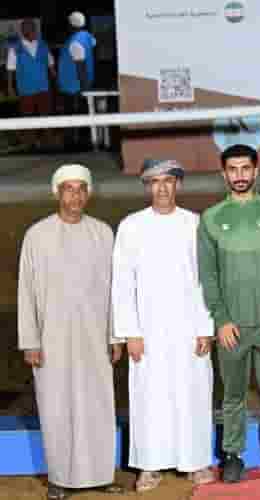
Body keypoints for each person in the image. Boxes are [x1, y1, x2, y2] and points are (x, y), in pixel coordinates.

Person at [17, 164, 124, 500]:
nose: (75, 195)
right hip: (51, 339)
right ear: (57, 193)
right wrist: (30, 341)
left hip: (95, 336)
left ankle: (100, 475)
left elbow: (114, 291)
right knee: (55, 406)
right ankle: (60, 479)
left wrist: (115, 335)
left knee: (99, 404)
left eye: (81, 188)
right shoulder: (37, 235)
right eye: (68, 188)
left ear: (88, 193)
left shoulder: (103, 233)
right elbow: (27, 292)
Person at [112, 160, 215, 492]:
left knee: (194, 393)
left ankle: (196, 461)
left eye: (168, 181)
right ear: (146, 187)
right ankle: (149, 465)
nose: (162, 188)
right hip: (148, 329)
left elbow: (206, 281)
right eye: (154, 182)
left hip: (189, 326)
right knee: (148, 396)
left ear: (178, 185)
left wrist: (205, 326)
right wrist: (130, 332)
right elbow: (122, 284)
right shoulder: (131, 227)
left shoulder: (196, 224)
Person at [198, 144, 260, 482]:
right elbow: (208, 275)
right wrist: (221, 319)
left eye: (245, 169)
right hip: (232, 330)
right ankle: (233, 456)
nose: (239, 176)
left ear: (256, 170)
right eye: (233, 169)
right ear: (223, 174)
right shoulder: (211, 219)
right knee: (233, 397)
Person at [6, 19, 55, 148]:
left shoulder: (43, 44)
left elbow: (50, 63)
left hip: (43, 87)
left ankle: (48, 142)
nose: (30, 29)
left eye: (32, 27)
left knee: (46, 115)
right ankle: (29, 143)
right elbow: (10, 69)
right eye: (27, 27)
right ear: (22, 31)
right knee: (27, 117)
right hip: (26, 88)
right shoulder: (15, 47)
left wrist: (54, 77)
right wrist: (10, 87)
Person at [58, 11, 96, 148]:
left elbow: (80, 67)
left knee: (73, 115)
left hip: (74, 86)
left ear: (72, 26)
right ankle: (80, 141)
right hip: (81, 84)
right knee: (81, 113)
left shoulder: (74, 42)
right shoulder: (86, 36)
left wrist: (84, 88)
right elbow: (93, 43)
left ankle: (75, 144)